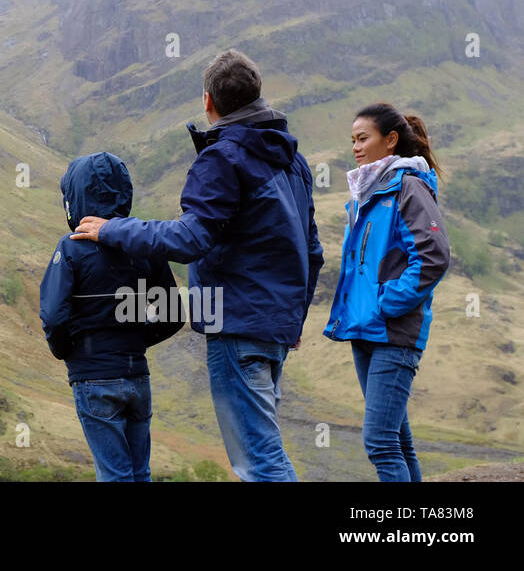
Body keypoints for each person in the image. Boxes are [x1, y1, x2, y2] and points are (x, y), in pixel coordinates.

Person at [71, 49, 324, 481]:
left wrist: (114, 230)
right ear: (257, 94)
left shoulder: (223, 158)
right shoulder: (293, 162)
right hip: (276, 329)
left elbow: (189, 239)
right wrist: (292, 320)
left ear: (208, 102)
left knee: (257, 461)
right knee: (262, 449)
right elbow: (312, 250)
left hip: (237, 325)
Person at [40, 151, 183, 481]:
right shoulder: (142, 244)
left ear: (74, 196)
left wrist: (67, 352)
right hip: (137, 375)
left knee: (114, 475)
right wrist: (135, 341)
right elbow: (173, 315)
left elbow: (54, 315)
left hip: (93, 377)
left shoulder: (71, 247)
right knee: (139, 473)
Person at [324, 103, 449, 482]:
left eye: (364, 139)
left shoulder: (408, 187)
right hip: (365, 331)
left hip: (392, 331)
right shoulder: (367, 194)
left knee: (379, 441)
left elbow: (434, 256)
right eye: (353, 140)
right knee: (397, 440)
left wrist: (387, 304)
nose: (356, 148)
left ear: (390, 140)